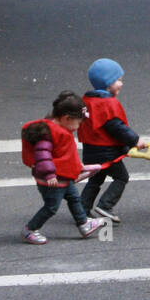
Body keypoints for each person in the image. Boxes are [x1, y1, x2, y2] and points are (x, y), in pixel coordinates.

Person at [21, 91, 107, 244]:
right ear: (66, 118)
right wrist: (49, 174)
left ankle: (83, 224)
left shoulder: (57, 129)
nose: (79, 126)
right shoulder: (47, 133)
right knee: (51, 207)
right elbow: (42, 155)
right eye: (78, 122)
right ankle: (30, 229)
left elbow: (63, 154)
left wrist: (78, 167)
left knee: (74, 198)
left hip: (63, 178)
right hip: (53, 180)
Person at [79, 58, 144, 223]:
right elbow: (117, 128)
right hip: (106, 151)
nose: (121, 84)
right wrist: (135, 140)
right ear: (108, 83)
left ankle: (82, 209)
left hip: (90, 149)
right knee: (122, 177)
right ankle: (105, 205)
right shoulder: (108, 104)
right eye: (118, 80)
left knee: (95, 180)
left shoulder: (86, 101)